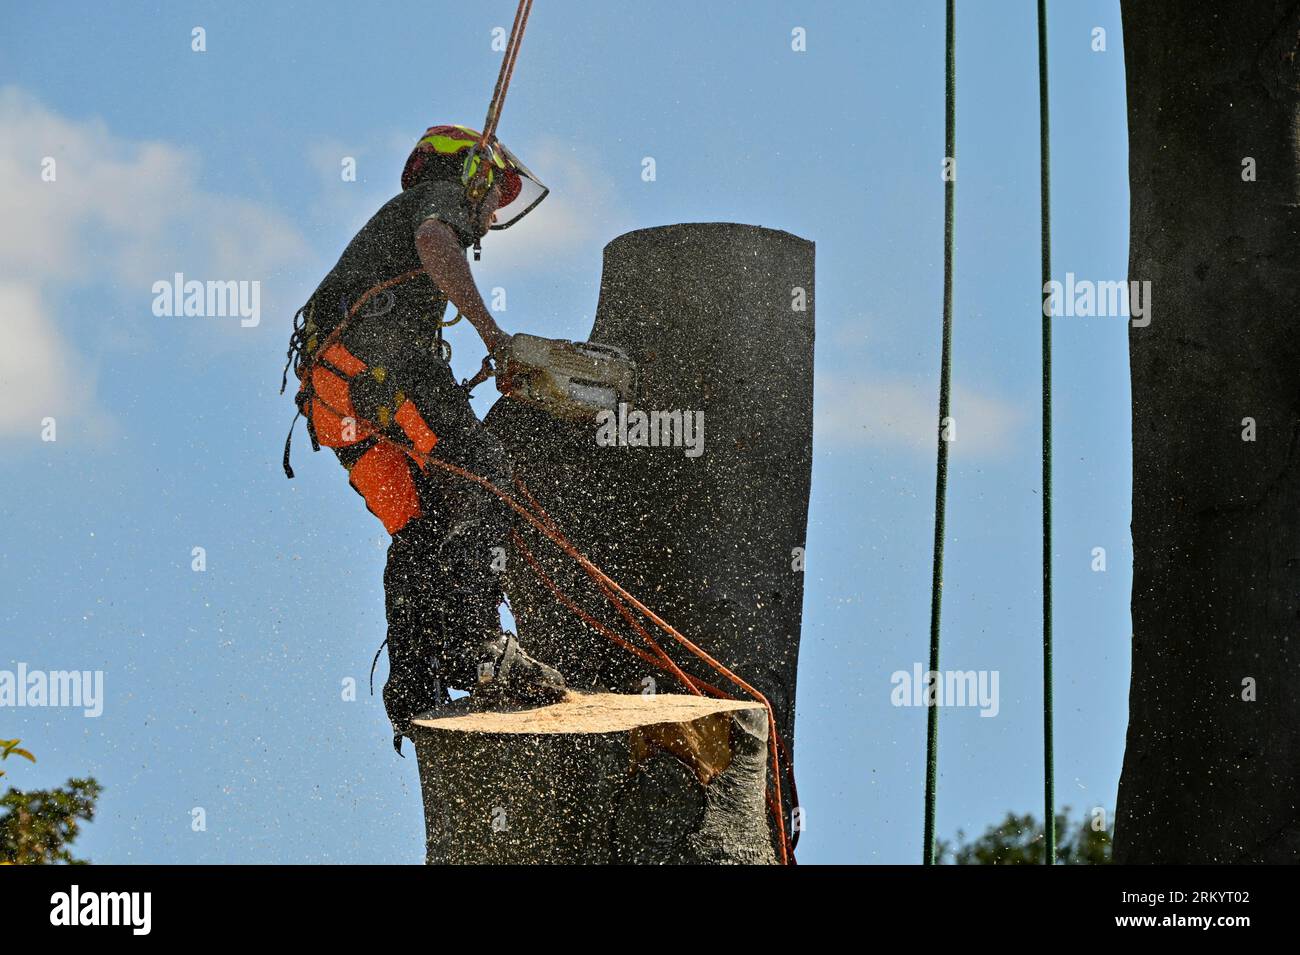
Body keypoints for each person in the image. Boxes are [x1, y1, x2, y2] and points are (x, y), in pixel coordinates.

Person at [282, 124, 566, 754]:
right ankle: (479, 648)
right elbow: (437, 242)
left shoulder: (393, 229)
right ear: (472, 174)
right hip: (380, 366)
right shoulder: (438, 199)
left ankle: (415, 680)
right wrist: (496, 339)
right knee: (483, 476)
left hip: (334, 397)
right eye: (495, 195)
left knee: (423, 523)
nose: (492, 214)